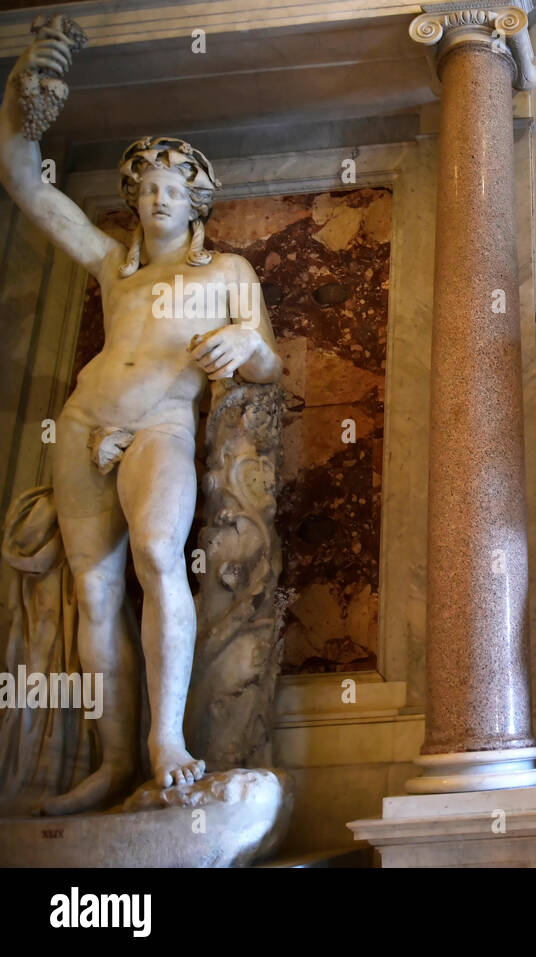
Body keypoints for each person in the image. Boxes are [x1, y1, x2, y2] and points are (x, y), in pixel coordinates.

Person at [0, 23, 281, 814]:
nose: (156, 197)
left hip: (162, 426)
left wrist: (242, 342)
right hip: (85, 422)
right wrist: (24, 93)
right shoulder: (109, 266)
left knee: (159, 553)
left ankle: (167, 738)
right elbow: (26, 184)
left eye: (171, 186)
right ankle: (110, 760)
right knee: (94, 592)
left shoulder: (227, 270)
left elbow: (269, 364)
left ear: (196, 197)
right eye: (145, 186)